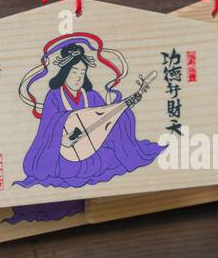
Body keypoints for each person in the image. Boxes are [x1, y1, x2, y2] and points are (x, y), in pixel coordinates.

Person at [16, 40, 163, 189]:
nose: (78, 78)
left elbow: (106, 118)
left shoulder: (91, 96)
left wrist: (123, 108)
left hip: (91, 150)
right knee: (67, 168)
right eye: (74, 72)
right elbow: (46, 130)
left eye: (82, 72)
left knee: (107, 156)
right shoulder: (53, 96)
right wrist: (61, 139)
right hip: (63, 153)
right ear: (65, 72)